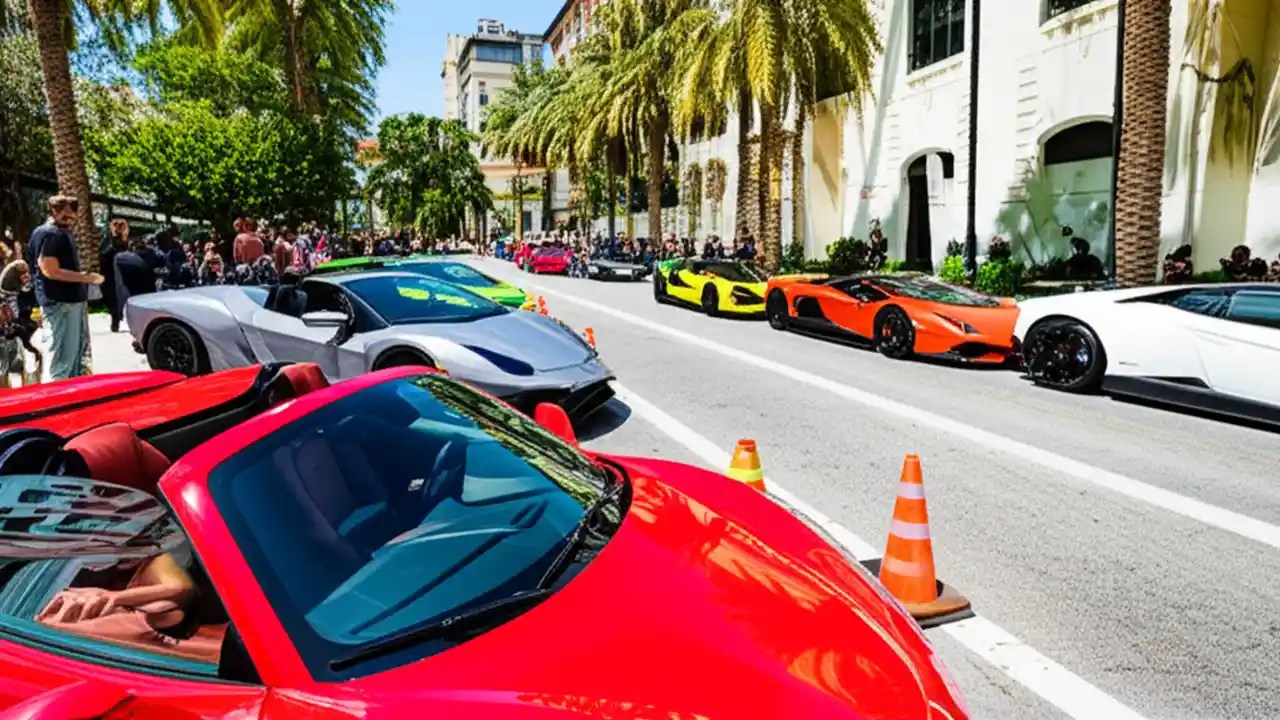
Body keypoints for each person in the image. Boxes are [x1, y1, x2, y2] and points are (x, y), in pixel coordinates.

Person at [26, 195, 103, 380]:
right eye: (68, 213)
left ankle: (66, 395)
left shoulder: (44, 232)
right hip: (61, 302)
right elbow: (49, 270)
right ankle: (56, 399)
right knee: (62, 359)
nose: (72, 218)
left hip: (62, 301)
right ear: (55, 211)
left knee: (69, 357)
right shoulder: (53, 234)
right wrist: (86, 278)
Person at [101, 219, 129, 332]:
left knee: (114, 298)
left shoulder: (107, 242)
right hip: (113, 273)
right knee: (114, 298)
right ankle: (116, 320)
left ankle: (116, 321)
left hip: (113, 273)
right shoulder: (110, 242)